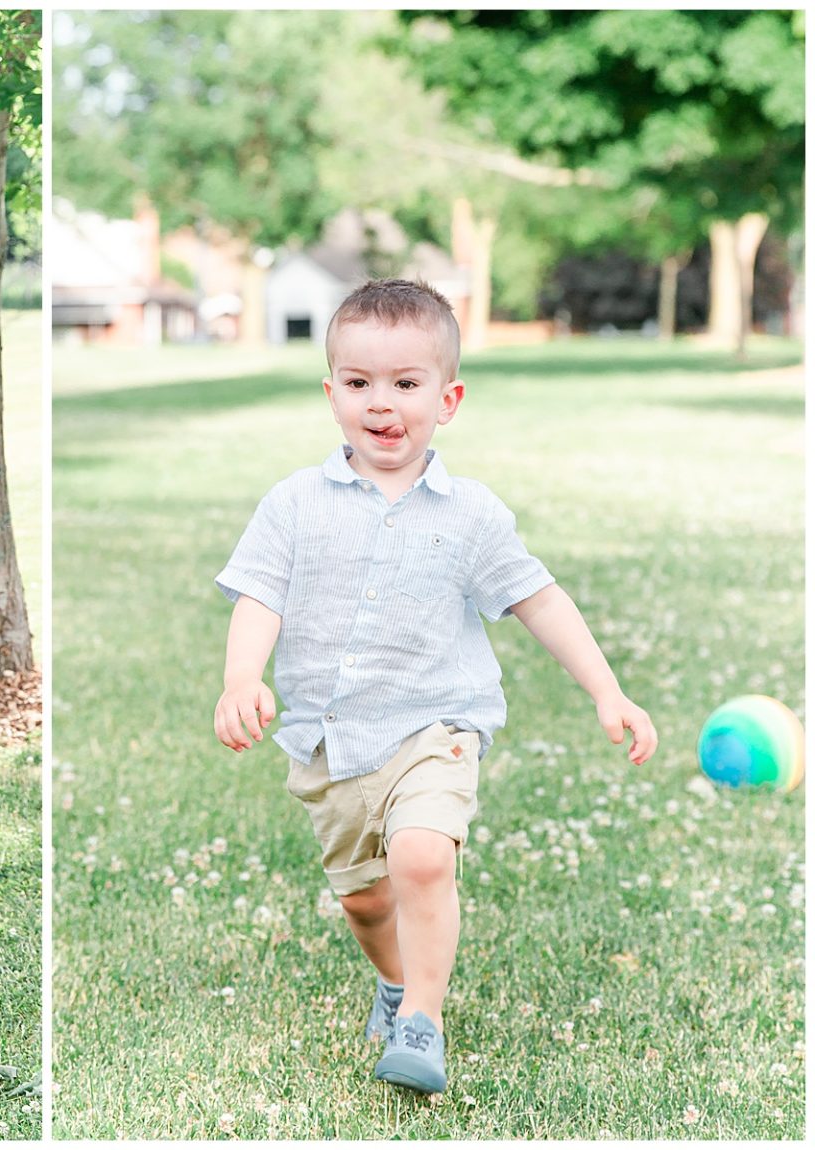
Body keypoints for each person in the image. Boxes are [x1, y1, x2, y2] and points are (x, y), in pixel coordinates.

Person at [212, 278, 657, 1095]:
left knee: (421, 857)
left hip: (434, 728)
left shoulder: (472, 514)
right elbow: (259, 596)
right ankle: (393, 981)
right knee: (365, 902)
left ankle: (423, 1018)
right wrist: (242, 677)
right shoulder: (294, 504)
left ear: (446, 400)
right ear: (332, 394)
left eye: (406, 383)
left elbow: (538, 599)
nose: (381, 403)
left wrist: (609, 690)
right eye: (359, 382)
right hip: (331, 743)